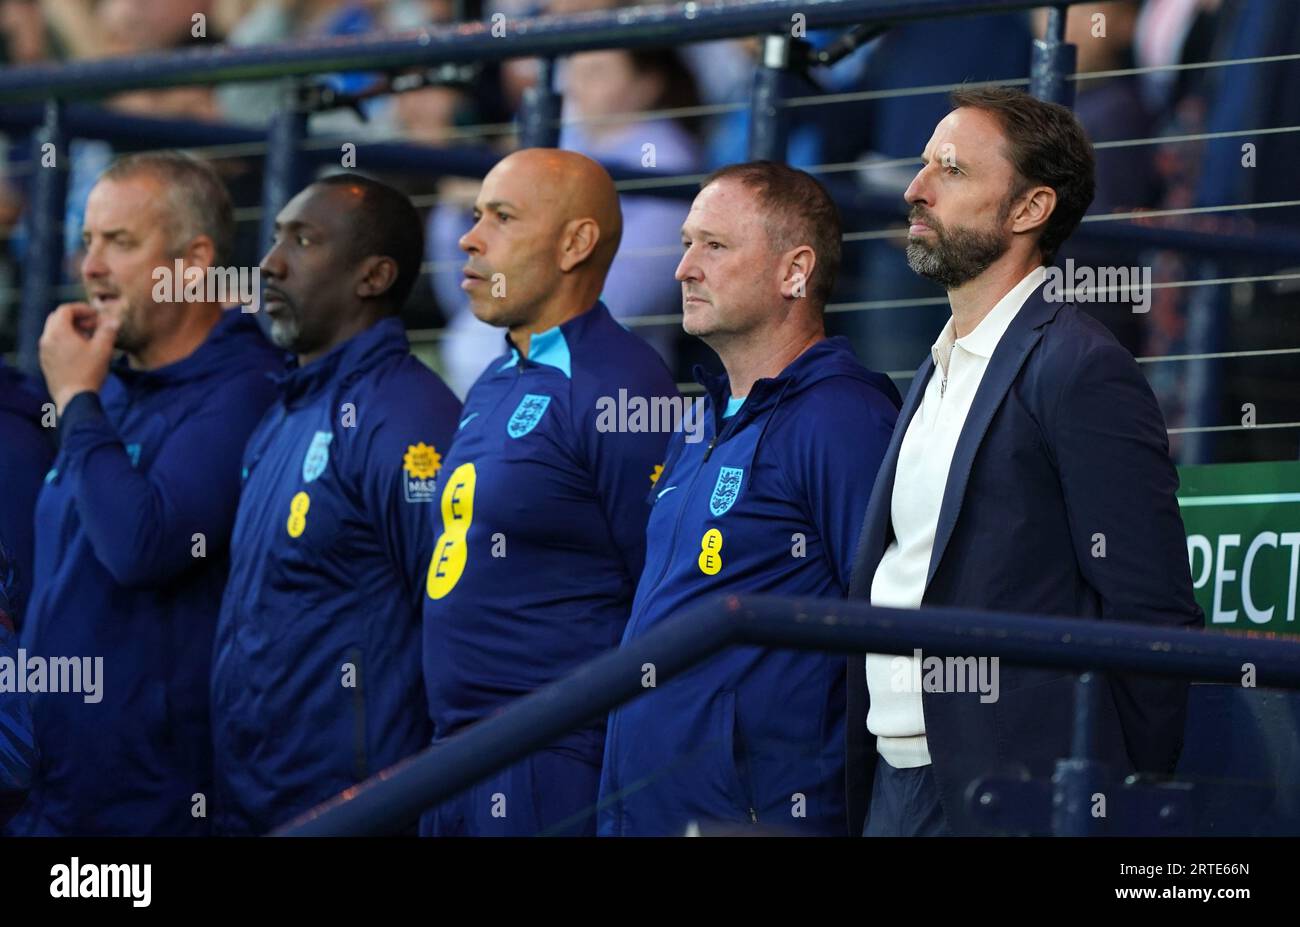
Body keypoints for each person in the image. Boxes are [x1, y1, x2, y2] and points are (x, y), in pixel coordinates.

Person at [846, 87, 1203, 837]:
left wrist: (1119, 799)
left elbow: (1150, 607)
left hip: (1011, 793)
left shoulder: (1078, 366)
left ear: (1029, 208)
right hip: (894, 776)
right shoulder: (937, 365)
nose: (916, 189)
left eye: (951, 169)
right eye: (921, 167)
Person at [599, 162, 901, 836]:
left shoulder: (842, 419)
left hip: (758, 817)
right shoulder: (701, 418)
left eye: (714, 245)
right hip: (643, 808)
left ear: (795, 270)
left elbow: (894, 633)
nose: (684, 269)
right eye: (685, 244)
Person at [11, 152, 282, 836]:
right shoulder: (113, 388)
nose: (91, 267)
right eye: (87, 241)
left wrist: (74, 398)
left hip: (156, 808)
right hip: (54, 797)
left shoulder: (245, 390)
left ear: (193, 262)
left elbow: (144, 545)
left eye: (120, 243)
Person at [421, 149, 678, 837]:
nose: (469, 238)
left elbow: (659, 588)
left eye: (501, 218)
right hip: (451, 755)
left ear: (575, 243)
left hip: (551, 759)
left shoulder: (621, 385)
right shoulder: (496, 376)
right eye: (474, 215)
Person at [209, 174, 460, 835]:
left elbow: (455, 617)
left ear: (373, 276)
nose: (271, 262)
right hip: (252, 802)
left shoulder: (406, 417)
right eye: (273, 238)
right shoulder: (285, 410)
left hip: (354, 812)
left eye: (305, 239)